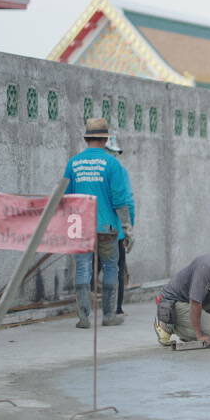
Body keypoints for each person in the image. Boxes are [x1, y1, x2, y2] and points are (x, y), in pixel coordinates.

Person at [63, 118, 135, 329]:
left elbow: (66, 197)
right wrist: (128, 230)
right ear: (105, 139)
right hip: (108, 227)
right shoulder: (112, 164)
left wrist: (68, 227)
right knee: (111, 267)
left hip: (81, 226)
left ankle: (83, 318)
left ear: (87, 139)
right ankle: (109, 316)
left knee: (83, 269)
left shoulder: (73, 163)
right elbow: (121, 201)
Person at [96, 133, 134, 316]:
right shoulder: (119, 171)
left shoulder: (89, 171)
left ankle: (86, 310)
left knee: (90, 269)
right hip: (113, 230)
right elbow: (127, 201)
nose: (115, 157)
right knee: (116, 269)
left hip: (90, 229)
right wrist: (129, 229)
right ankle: (115, 309)